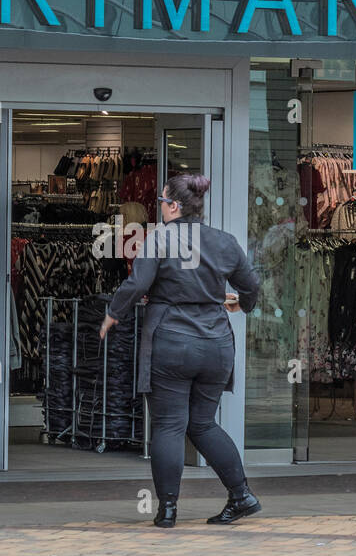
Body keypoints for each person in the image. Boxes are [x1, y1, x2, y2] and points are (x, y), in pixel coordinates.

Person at [99, 174, 261, 527]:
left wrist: (113, 313)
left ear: (174, 205)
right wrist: (241, 304)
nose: (159, 207)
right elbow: (251, 285)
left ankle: (168, 510)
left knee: (170, 425)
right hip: (216, 343)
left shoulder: (160, 239)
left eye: (161, 201)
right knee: (202, 424)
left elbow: (137, 283)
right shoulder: (224, 241)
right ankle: (242, 495)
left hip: (172, 340)